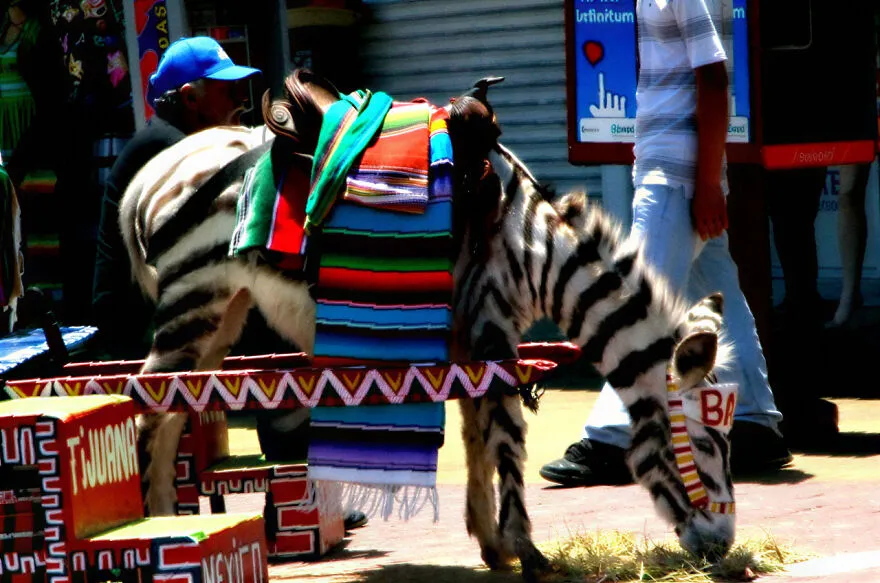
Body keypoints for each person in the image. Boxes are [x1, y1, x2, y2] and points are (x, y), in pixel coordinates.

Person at [540, 0, 792, 486]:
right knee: (720, 297)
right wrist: (709, 179)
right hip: (682, 171)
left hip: (674, 176)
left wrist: (705, 184)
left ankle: (614, 438)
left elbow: (714, 78)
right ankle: (755, 423)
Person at [92, 36, 261, 359]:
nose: (241, 101)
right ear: (191, 99)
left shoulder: (179, 142)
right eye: (228, 91)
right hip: (139, 340)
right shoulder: (165, 147)